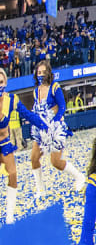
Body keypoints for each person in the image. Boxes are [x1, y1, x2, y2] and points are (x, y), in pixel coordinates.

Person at [29, 59, 87, 197]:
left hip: (55, 129)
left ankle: (79, 176)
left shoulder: (55, 87)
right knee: (34, 157)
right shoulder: (35, 91)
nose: (41, 75)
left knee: (55, 162)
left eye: (43, 72)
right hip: (41, 129)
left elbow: (62, 106)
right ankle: (40, 189)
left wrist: (54, 121)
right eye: (39, 72)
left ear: (48, 73)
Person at [0, 68, 47, 222]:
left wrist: (45, 125)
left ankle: (9, 215)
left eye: (1, 82)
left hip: (5, 144)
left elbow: (28, 115)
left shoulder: (12, 100)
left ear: (5, 82)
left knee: (13, 175)